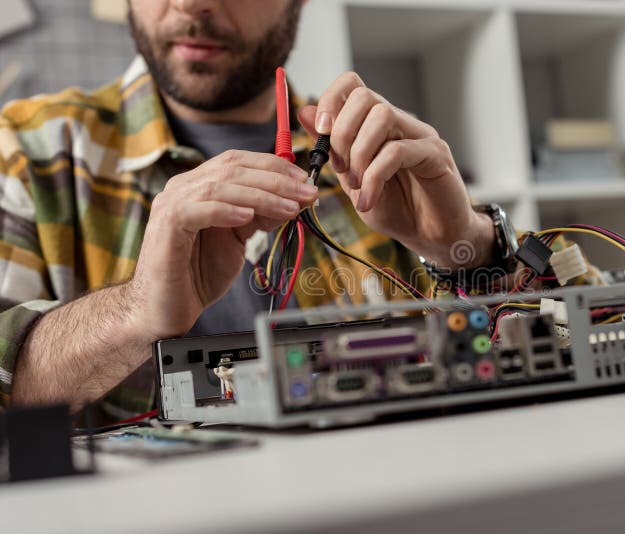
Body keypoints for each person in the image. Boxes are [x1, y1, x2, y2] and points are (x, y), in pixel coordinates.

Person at [0, 0, 507, 418]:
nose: (192, 5)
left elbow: (536, 356)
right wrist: (133, 313)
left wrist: (464, 248)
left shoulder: (377, 160)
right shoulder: (28, 152)